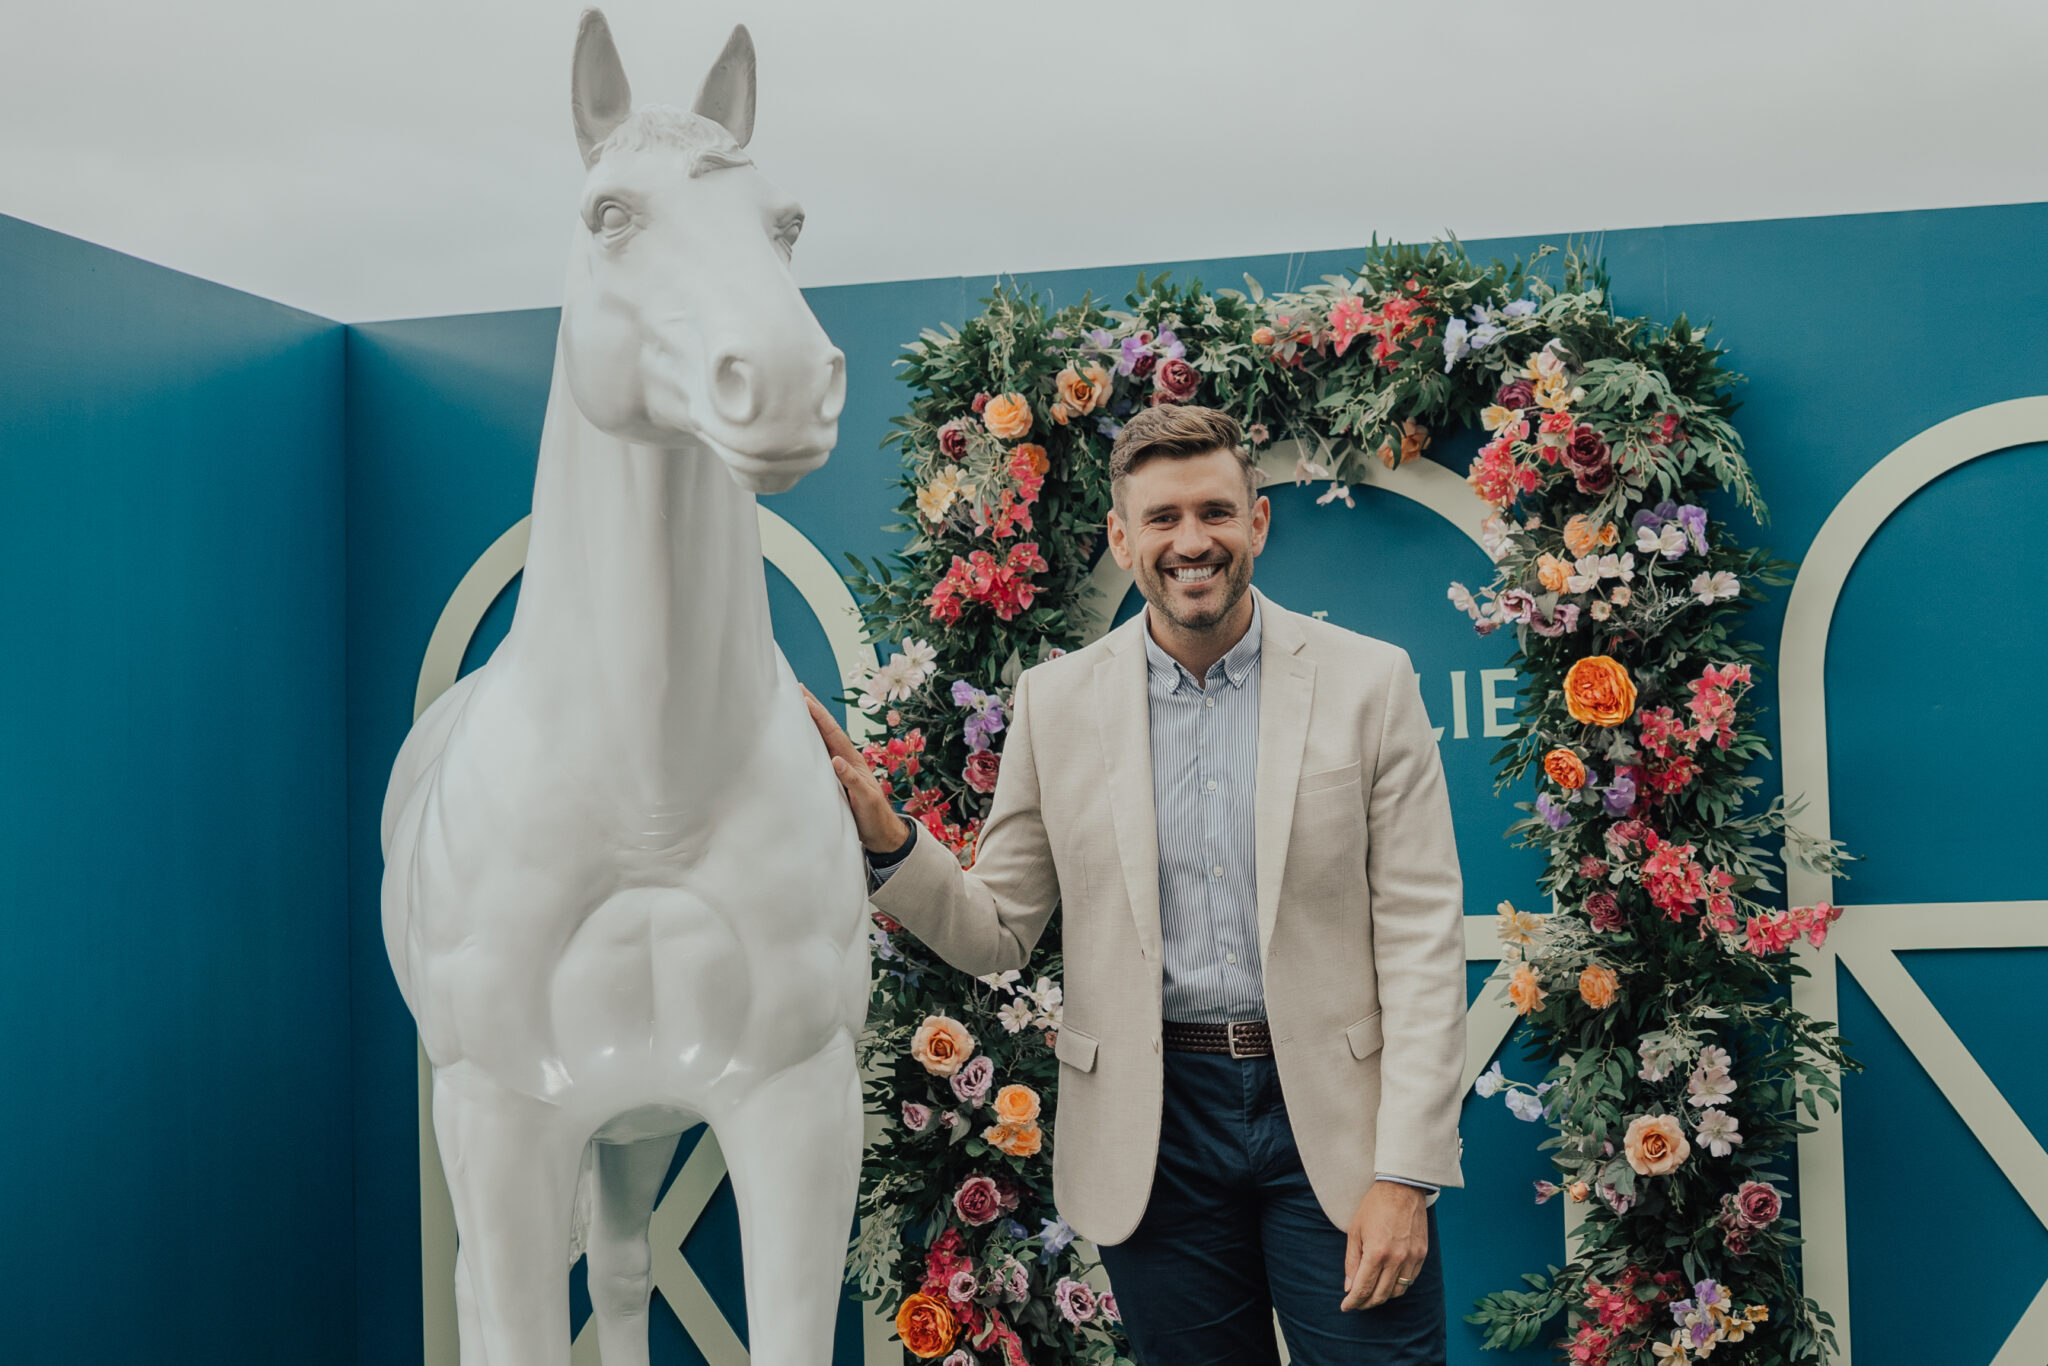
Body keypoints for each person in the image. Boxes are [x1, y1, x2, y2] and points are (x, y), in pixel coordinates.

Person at [804, 403, 1466, 1365]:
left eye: (1216, 512)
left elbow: (1422, 942)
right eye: (1162, 518)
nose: (1192, 541)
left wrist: (1406, 1172)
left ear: (1257, 523)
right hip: (1156, 1136)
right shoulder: (1055, 703)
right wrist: (889, 839)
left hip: (1339, 1126)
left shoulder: (1372, 683)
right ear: (1122, 539)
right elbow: (998, 929)